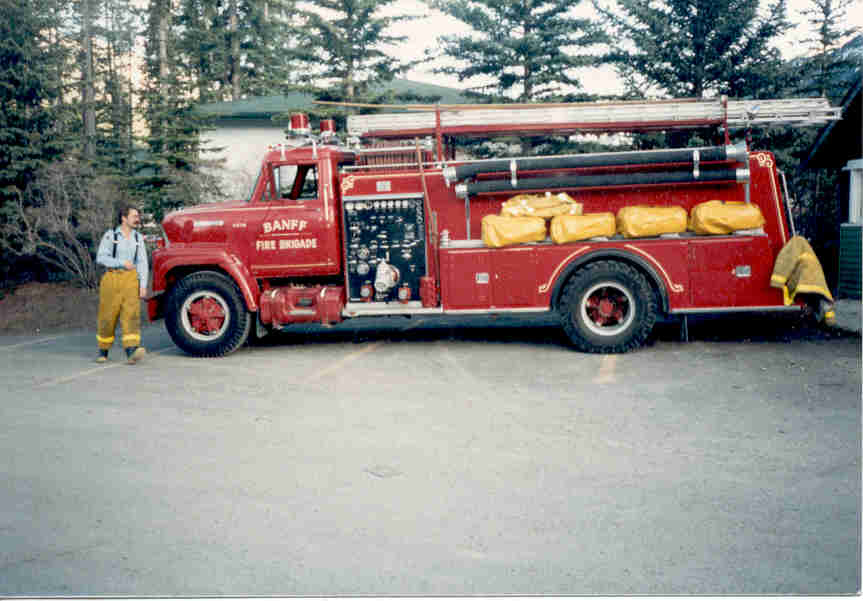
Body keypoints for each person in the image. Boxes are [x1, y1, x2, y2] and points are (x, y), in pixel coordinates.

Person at [95, 204, 148, 364]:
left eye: (137, 216)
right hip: (112, 279)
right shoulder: (111, 236)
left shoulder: (138, 238)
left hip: (131, 280)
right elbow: (101, 257)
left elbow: (142, 263)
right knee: (107, 316)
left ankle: (131, 352)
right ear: (124, 218)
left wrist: (143, 285)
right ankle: (103, 350)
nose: (137, 219)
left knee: (131, 315)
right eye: (134, 216)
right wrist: (120, 263)